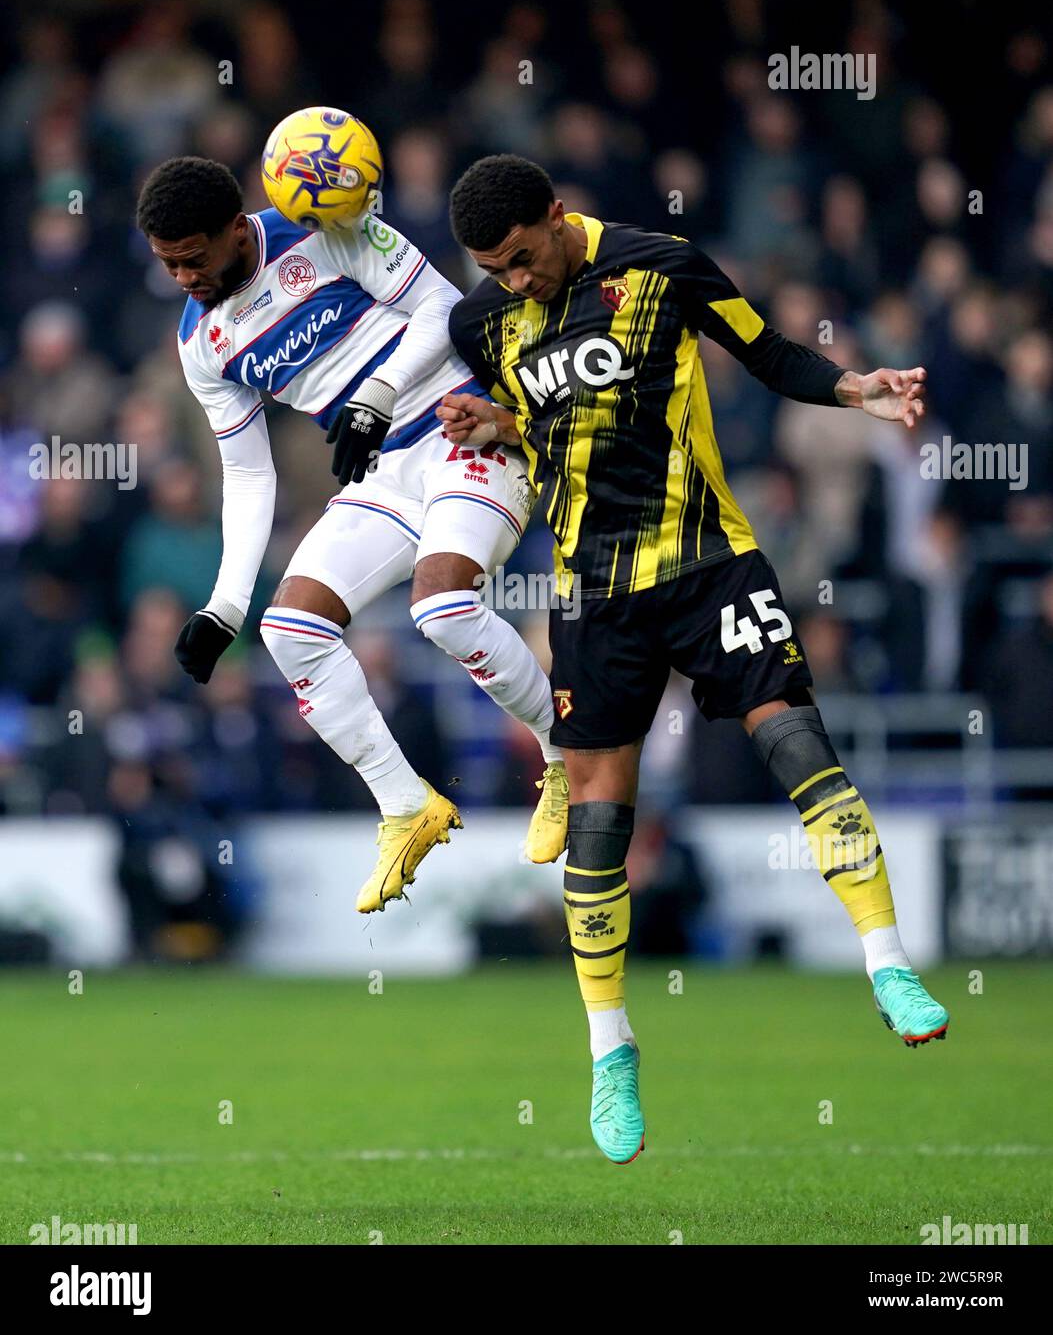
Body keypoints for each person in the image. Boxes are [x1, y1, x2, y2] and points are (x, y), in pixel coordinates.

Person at [437, 153, 947, 1165]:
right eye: (494, 269)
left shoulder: (661, 264)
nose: (515, 281)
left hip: (709, 560)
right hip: (590, 592)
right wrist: (496, 420)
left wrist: (860, 390)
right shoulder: (481, 322)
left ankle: (887, 962)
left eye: (523, 258)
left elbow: (767, 354)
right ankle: (610, 1047)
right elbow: (549, 433)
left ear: (555, 215)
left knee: (797, 742)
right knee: (600, 817)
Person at [136, 154, 569, 913]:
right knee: (289, 629)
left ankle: (563, 752)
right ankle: (407, 805)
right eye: (168, 266)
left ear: (237, 229)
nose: (183, 278)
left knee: (439, 609)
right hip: (380, 475)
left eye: (193, 259)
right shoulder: (202, 344)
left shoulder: (323, 229)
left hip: (463, 426)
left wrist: (376, 393)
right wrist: (223, 609)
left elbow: (444, 307)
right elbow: (247, 475)